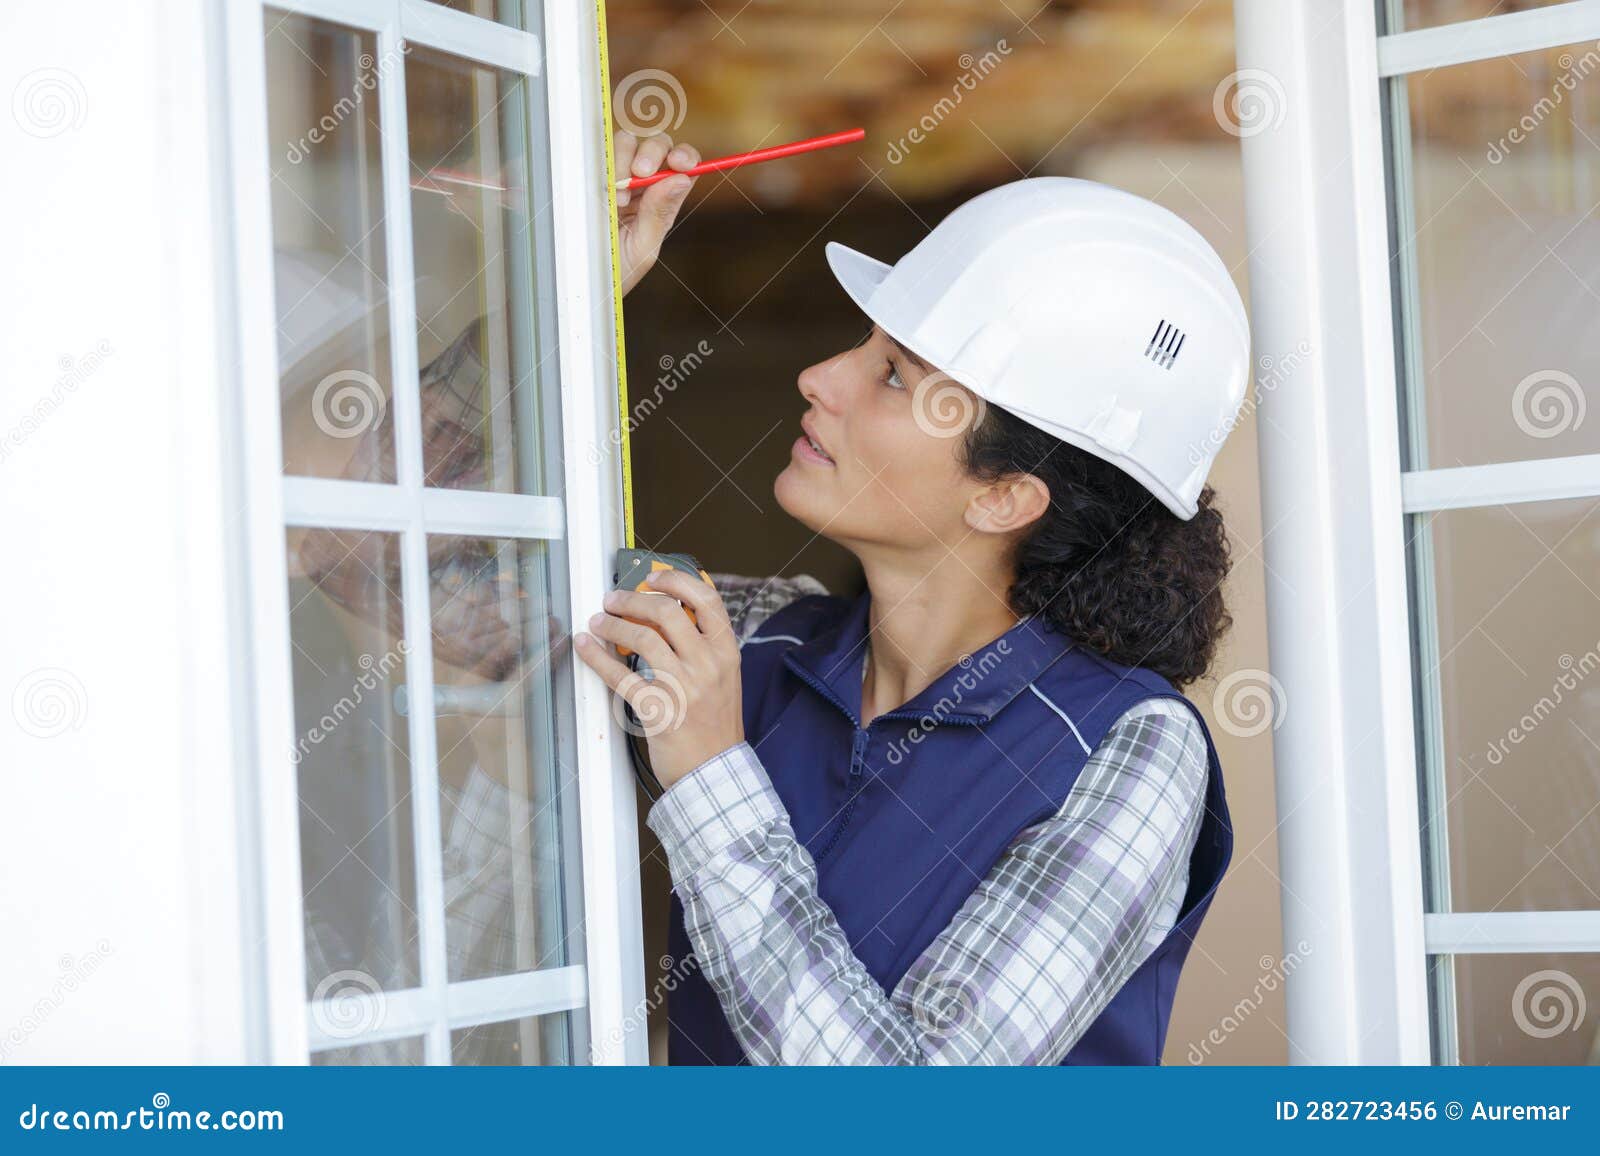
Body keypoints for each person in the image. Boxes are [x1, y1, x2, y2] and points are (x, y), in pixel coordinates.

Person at [575, 130, 1249, 1065]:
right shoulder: (765, 641)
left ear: (1004, 494)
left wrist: (708, 773)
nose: (820, 378)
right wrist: (561, 294)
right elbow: (404, 565)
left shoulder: (1128, 750)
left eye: (894, 376)